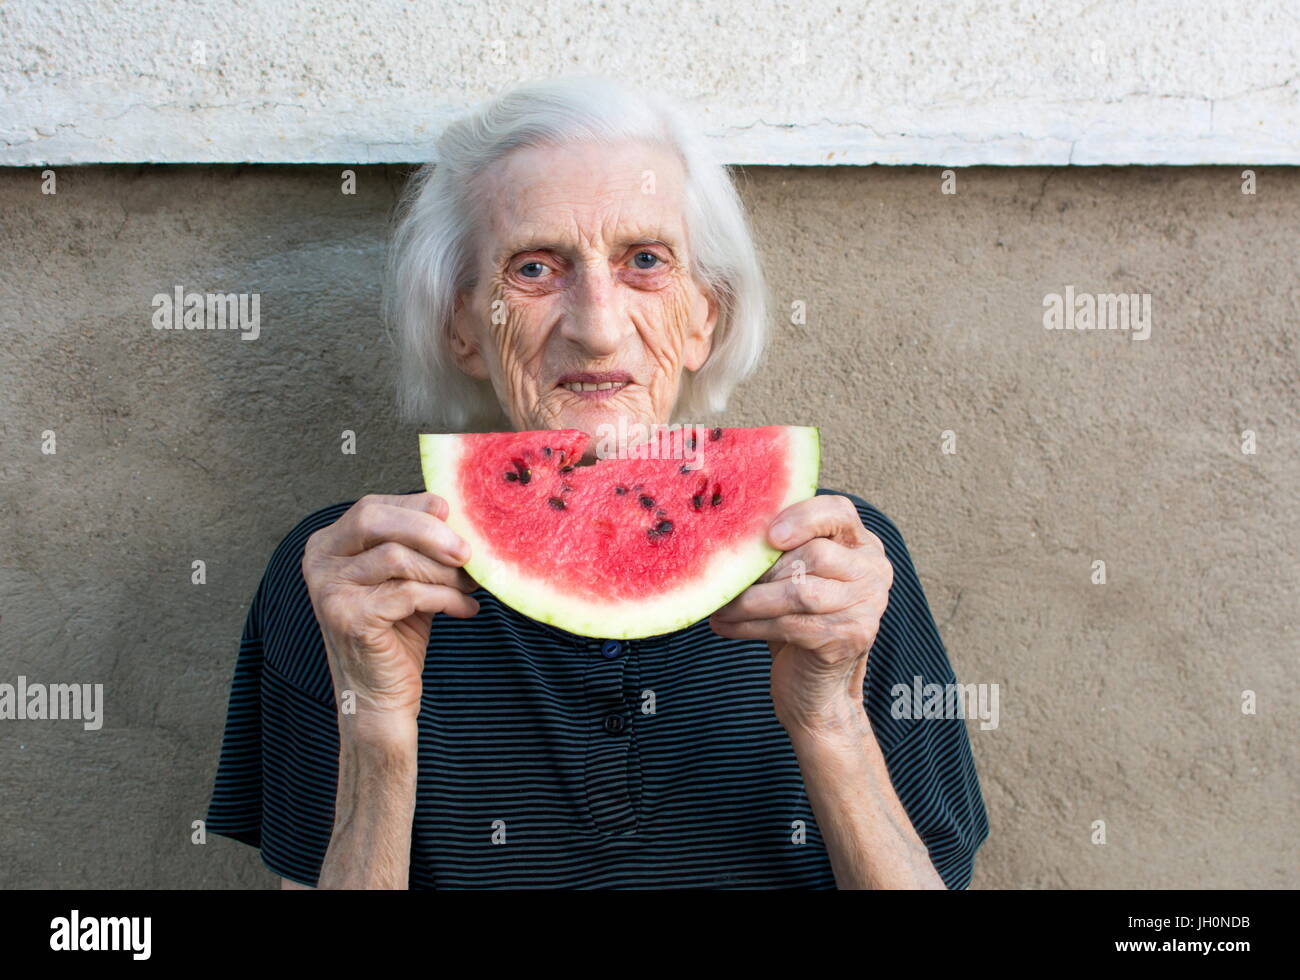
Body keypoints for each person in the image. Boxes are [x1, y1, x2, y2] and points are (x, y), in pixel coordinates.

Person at [205, 75, 989, 889]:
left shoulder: (839, 569)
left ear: (703, 318)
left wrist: (832, 721)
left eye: (645, 261)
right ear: (462, 328)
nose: (597, 326)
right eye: (536, 269)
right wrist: (377, 726)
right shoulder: (350, 576)